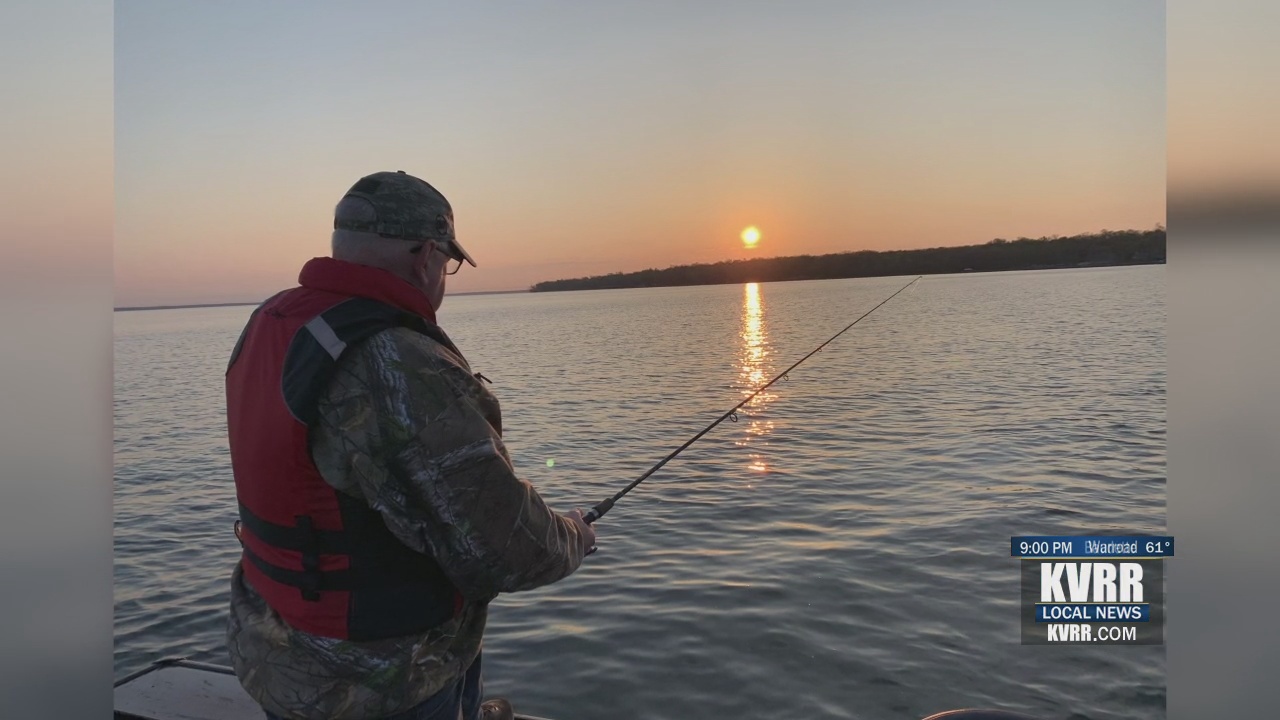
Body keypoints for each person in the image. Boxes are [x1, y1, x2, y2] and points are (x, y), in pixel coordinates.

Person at [224, 170, 596, 720]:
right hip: (381, 682)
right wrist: (573, 535)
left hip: (277, 655)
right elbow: (503, 548)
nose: (443, 278)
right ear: (425, 253)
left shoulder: (270, 322)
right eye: (447, 263)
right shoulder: (397, 359)